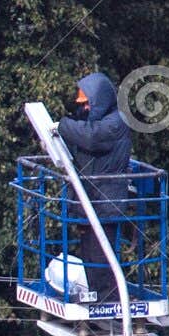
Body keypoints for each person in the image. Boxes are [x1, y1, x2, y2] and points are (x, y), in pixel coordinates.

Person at [56, 72, 131, 300]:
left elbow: (92, 138)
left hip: (105, 199)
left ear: (100, 100)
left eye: (88, 103)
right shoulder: (97, 119)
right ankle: (98, 293)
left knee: (100, 253)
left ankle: (109, 298)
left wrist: (62, 125)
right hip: (90, 199)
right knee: (89, 250)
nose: (85, 108)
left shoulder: (116, 122)